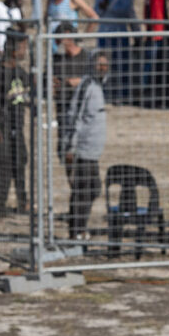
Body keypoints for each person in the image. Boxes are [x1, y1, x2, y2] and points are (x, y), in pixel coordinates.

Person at [0, 30, 33, 217]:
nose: (25, 51)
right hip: (3, 127)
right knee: (0, 168)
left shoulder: (20, 72)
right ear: (14, 49)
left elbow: (27, 94)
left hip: (17, 128)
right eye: (23, 47)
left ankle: (22, 201)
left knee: (20, 162)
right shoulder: (0, 72)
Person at [62, 50, 108, 241]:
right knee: (82, 190)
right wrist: (71, 147)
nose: (102, 68)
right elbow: (75, 116)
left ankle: (80, 227)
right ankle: (76, 231)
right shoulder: (87, 85)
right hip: (82, 149)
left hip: (93, 152)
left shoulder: (99, 86)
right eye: (99, 64)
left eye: (105, 64)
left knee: (93, 188)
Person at [135, 0, 169, 106]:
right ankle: (148, 95)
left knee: (152, 67)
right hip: (151, 34)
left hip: (158, 34)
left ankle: (151, 95)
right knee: (149, 66)